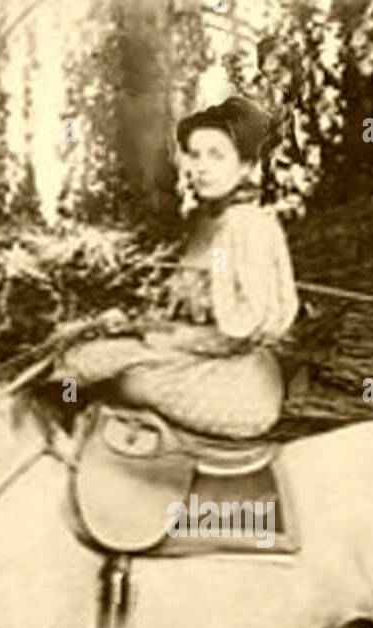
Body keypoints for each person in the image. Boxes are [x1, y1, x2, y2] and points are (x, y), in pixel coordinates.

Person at [57, 95, 299, 439]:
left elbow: (240, 335)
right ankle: (72, 448)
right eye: (195, 155)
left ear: (246, 165)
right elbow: (196, 308)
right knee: (82, 359)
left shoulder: (249, 227)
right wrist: (131, 324)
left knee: (115, 376)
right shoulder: (206, 222)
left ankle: (89, 454)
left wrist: (156, 340)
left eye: (216, 155)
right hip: (199, 359)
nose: (201, 167)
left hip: (238, 383)